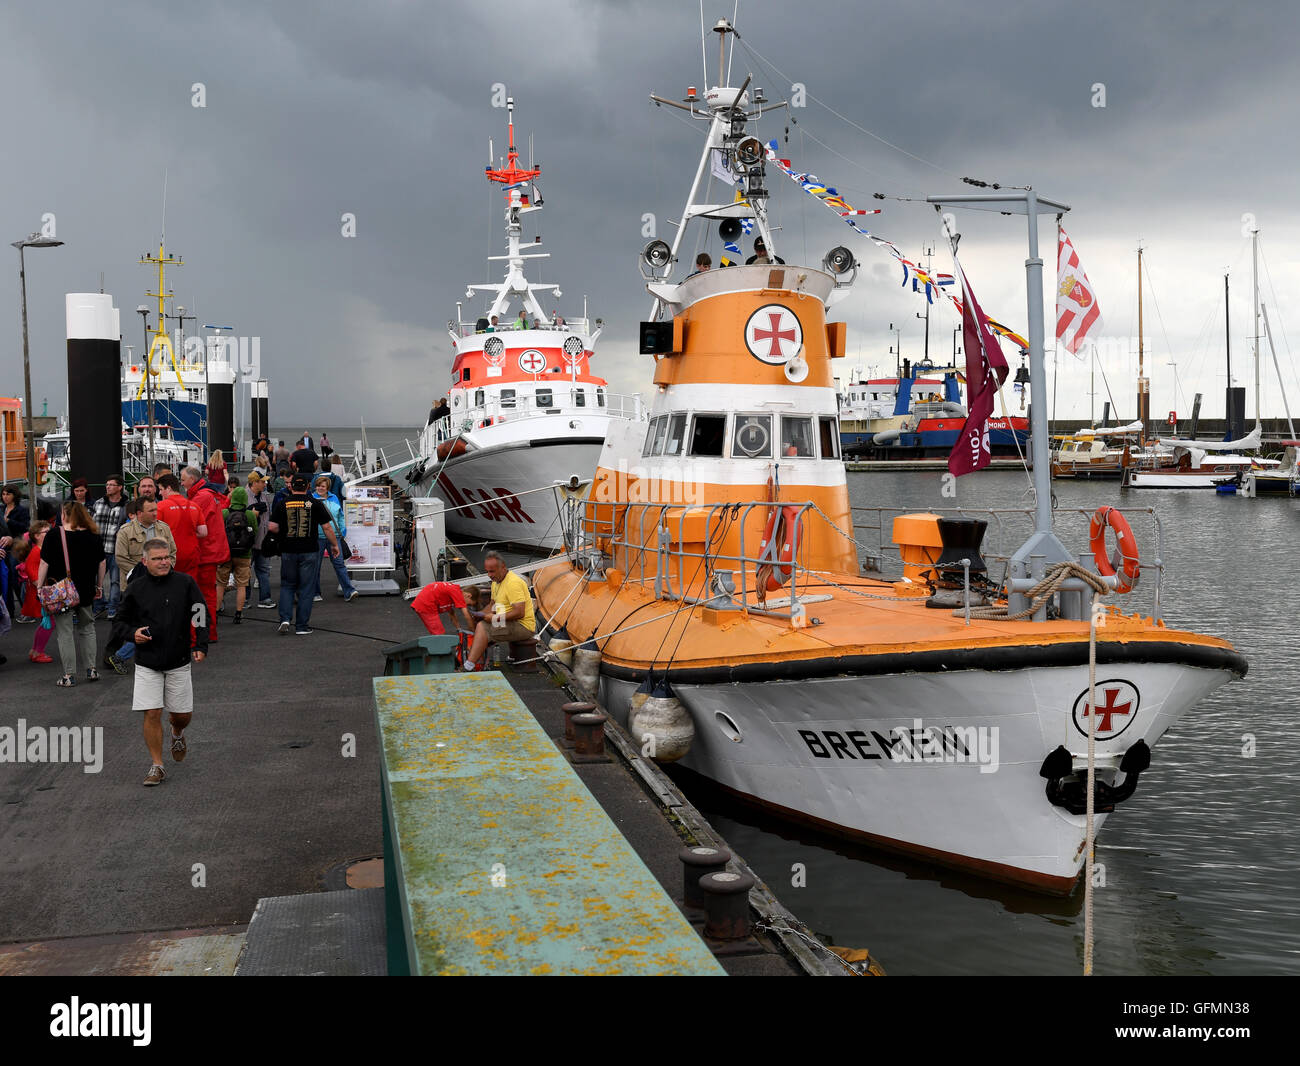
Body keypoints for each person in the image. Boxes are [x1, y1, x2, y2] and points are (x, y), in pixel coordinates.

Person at [111, 539, 208, 786]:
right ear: (145, 561)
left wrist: (201, 644)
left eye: (166, 557)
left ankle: (177, 732)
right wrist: (131, 634)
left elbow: (199, 611)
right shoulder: (135, 588)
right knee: (152, 712)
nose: (164, 562)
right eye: (157, 558)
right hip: (147, 662)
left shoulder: (185, 583)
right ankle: (157, 766)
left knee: (182, 715)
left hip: (179, 660)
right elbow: (119, 621)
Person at [37, 501, 106, 687]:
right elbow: (101, 563)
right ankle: (91, 669)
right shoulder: (93, 535)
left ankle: (69, 675)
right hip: (85, 590)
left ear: (64, 514)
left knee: (65, 633)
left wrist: (39, 587)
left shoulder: (54, 534)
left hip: (62, 592)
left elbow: (44, 563)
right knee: (88, 629)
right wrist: (99, 586)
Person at [267, 473, 341, 635]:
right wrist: (335, 545)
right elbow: (327, 527)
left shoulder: (282, 503)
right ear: (308, 486)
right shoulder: (314, 503)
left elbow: (272, 527)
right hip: (309, 550)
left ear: (291, 486)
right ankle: (301, 626)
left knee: (287, 585)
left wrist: (283, 533)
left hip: (288, 550)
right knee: (306, 588)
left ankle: (285, 618)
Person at [181, 466, 230, 645]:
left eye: (183, 479)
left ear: (192, 480)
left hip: (205, 554)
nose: (181, 482)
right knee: (206, 595)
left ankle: (203, 633)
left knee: (200, 597)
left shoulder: (201, 497)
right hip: (211, 552)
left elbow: (189, 523)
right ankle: (207, 632)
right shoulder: (208, 494)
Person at [463, 551, 536, 671]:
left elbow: (519, 612)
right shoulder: (496, 582)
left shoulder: (513, 583)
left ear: (503, 568)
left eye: (492, 571)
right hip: (507, 622)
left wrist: (494, 618)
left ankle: (468, 666)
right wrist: (481, 614)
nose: (489, 575)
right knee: (479, 624)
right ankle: (481, 662)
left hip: (523, 626)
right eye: (487, 571)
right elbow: (493, 604)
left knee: (483, 627)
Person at [309, 474, 357, 603]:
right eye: (318, 485)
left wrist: (342, 530)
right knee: (315, 567)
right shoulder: (311, 499)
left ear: (327, 487)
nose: (320, 488)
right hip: (317, 538)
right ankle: (315, 593)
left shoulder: (334, 497)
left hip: (334, 537)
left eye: (322, 486)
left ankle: (349, 591)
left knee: (340, 565)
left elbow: (340, 515)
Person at [216, 482, 255, 623]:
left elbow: (218, 533)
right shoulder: (250, 514)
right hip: (244, 555)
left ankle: (215, 611)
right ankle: (238, 614)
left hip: (226, 554)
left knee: (220, 584)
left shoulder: (224, 513)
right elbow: (254, 533)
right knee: (242, 585)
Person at [91, 475, 129, 618]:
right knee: (96, 580)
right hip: (98, 549)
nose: (108, 487)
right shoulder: (98, 503)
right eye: (107, 484)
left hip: (116, 549)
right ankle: (99, 605)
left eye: (112, 485)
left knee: (116, 581)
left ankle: (113, 608)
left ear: (120, 487)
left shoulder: (126, 505)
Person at [17, 522, 54, 661]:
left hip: (41, 593)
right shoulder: (36, 553)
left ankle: (35, 650)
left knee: (46, 623)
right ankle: (38, 652)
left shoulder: (41, 550)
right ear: (37, 536)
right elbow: (34, 577)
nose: (49, 534)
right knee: (49, 623)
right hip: (40, 595)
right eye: (46, 532)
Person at [245, 471, 276, 609]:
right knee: (245, 572)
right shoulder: (244, 495)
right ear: (254, 482)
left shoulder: (264, 496)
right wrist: (252, 510)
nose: (265, 484)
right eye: (262, 481)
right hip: (248, 541)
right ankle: (244, 600)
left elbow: (268, 516)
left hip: (263, 540)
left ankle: (265, 598)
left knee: (263, 570)